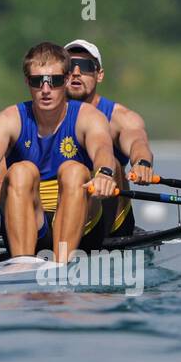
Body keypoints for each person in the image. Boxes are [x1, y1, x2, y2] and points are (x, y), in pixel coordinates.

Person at [0, 42, 117, 262]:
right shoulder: (9, 119)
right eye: (37, 81)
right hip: (31, 220)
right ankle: (22, 266)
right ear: (27, 82)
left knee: (74, 170)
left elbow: (103, 149)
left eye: (55, 81)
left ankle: (62, 264)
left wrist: (105, 174)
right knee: (21, 170)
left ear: (67, 80)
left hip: (84, 229)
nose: (46, 90)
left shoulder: (88, 117)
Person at [62, 39, 156, 241]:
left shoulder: (120, 117)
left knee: (111, 163)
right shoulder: (46, 115)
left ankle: (104, 238)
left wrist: (142, 163)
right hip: (59, 214)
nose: (76, 73)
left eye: (86, 67)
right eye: (70, 67)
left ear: (100, 75)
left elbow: (137, 142)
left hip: (109, 224)